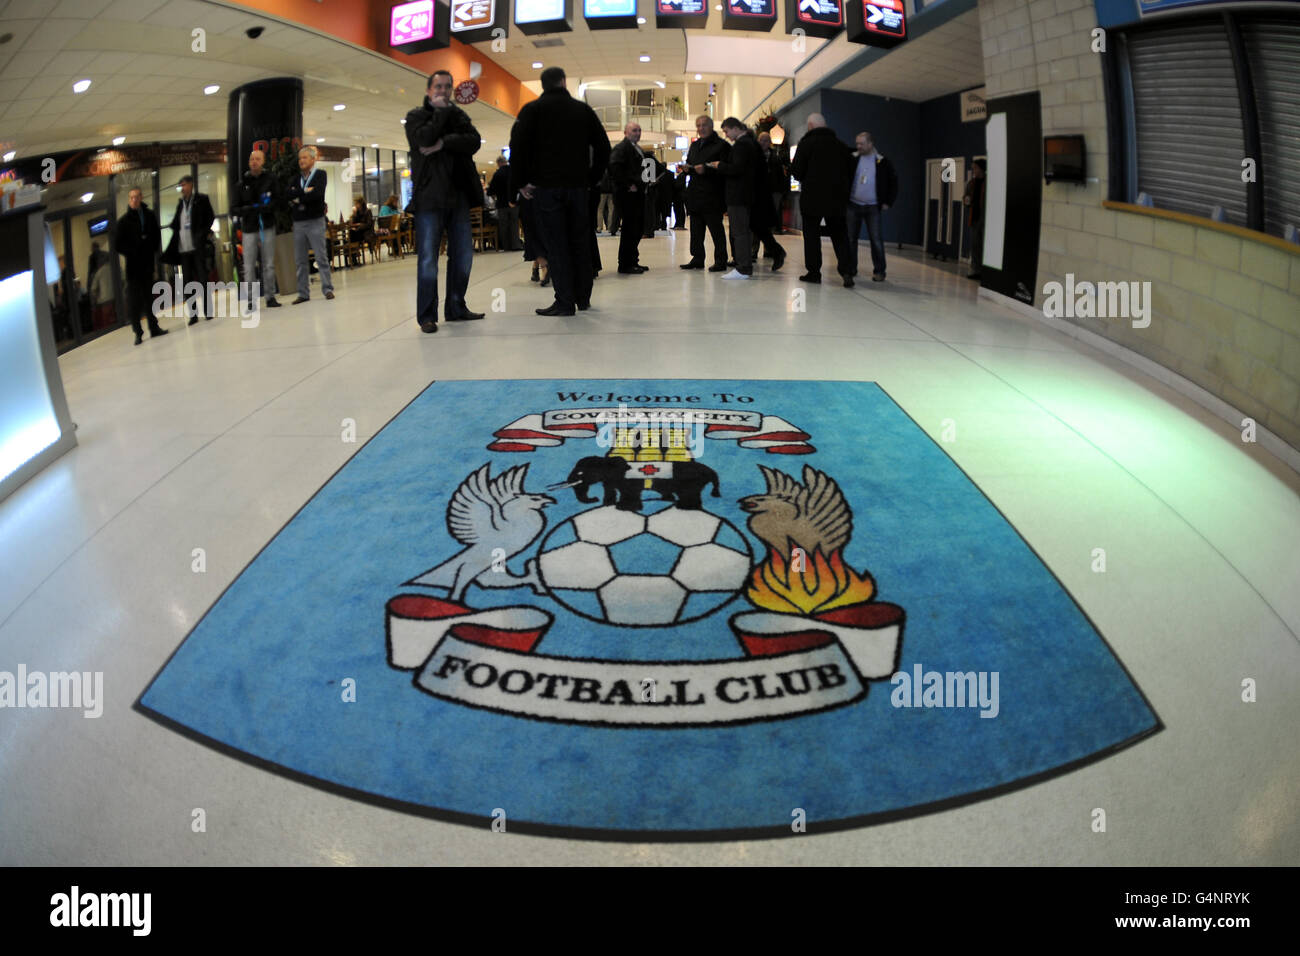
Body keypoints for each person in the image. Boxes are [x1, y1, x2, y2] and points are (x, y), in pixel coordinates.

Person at [510, 66, 611, 315]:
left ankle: (564, 301)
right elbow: (603, 147)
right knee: (580, 241)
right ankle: (583, 297)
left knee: (557, 244)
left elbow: (518, 147)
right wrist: (592, 178)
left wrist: (521, 182)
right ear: (564, 82)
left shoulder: (532, 111)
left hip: (546, 188)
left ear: (543, 85)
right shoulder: (582, 110)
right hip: (578, 187)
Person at [404, 68, 485, 333]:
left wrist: (444, 143)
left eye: (447, 87)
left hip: (458, 196)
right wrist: (440, 115)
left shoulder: (458, 115)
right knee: (428, 259)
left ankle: (456, 307)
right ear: (429, 91)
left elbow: (473, 141)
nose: (443, 91)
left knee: (462, 256)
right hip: (429, 199)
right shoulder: (416, 116)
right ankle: (427, 315)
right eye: (438, 87)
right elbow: (424, 138)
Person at [791, 114, 854, 286]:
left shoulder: (806, 144)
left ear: (810, 126)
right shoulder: (841, 146)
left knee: (811, 236)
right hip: (837, 199)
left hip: (812, 198)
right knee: (840, 235)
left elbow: (796, 171)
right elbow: (851, 172)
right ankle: (847, 271)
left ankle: (814, 272)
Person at [709, 117, 767, 279]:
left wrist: (719, 165)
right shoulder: (749, 143)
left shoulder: (742, 145)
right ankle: (744, 264)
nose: (726, 135)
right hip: (745, 195)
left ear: (735, 128)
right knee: (742, 231)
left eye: (726, 131)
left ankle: (743, 268)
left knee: (739, 231)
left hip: (739, 195)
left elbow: (737, 169)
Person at [114, 186, 169, 345]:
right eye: (132, 197)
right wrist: (133, 251)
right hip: (133, 268)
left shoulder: (149, 216)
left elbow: (156, 236)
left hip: (147, 265)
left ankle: (154, 328)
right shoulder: (123, 222)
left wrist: (150, 249)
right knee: (134, 302)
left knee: (149, 298)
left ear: (141, 197)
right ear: (129, 199)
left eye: (137, 197)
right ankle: (138, 332)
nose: (134, 200)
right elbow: (118, 245)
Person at [232, 148, 282, 310]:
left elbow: (277, 200)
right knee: (248, 266)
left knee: (268, 264)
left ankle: (270, 297)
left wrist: (264, 208)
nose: (254, 162)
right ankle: (251, 301)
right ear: (249, 162)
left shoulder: (270, 179)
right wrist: (250, 210)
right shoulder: (241, 184)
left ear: (263, 161)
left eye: (258, 159)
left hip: (266, 226)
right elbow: (234, 208)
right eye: (252, 159)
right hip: (248, 229)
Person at [845, 131, 899, 283]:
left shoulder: (882, 162)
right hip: (853, 205)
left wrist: (888, 201)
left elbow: (893, 183)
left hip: (873, 207)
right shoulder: (853, 159)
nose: (858, 146)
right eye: (857, 143)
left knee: (876, 240)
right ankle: (851, 268)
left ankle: (880, 271)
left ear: (870, 144)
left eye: (862, 143)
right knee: (850, 239)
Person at [680, 115, 730, 272]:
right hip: (695, 195)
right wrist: (687, 168)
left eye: (704, 125)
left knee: (716, 230)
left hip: (712, 195)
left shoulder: (722, 146)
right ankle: (697, 258)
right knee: (696, 231)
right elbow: (691, 162)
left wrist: (706, 170)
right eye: (698, 125)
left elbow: (726, 169)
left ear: (711, 126)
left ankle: (721, 260)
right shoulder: (695, 146)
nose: (701, 128)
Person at [285, 146, 335, 303]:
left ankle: (327, 289)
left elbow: (318, 194)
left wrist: (299, 196)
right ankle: (303, 293)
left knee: (321, 257)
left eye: (305, 158)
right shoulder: (294, 179)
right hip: (299, 222)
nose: (301, 161)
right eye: (300, 158)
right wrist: (306, 193)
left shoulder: (320, 175)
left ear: (313, 159)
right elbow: (288, 195)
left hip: (315, 221)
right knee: (300, 260)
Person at [164, 175, 216, 323]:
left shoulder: (201, 200)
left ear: (191, 185)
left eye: (184, 185)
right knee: (187, 283)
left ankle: (208, 311)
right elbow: (176, 223)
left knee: (203, 279)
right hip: (183, 250)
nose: (182, 188)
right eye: (180, 185)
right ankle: (193, 315)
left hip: (196, 247)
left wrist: (203, 233)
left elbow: (210, 217)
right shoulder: (180, 204)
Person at [607, 121, 648, 274]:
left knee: (636, 228)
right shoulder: (621, 148)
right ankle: (625, 264)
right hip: (627, 195)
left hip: (636, 194)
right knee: (630, 229)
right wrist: (627, 184)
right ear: (626, 132)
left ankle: (632, 260)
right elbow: (614, 168)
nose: (637, 133)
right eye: (634, 130)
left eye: (639, 130)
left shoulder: (636, 149)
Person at [488, 155, 521, 252]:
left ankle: (507, 246)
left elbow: (490, 191)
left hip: (502, 204)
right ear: (506, 162)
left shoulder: (497, 174)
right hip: (514, 202)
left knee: (504, 225)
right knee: (514, 224)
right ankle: (516, 245)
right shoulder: (514, 172)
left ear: (498, 163)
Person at [963, 159, 987, 280]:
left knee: (985, 246)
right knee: (975, 245)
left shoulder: (989, 182)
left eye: (975, 168)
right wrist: (966, 201)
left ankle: (986, 271)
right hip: (974, 218)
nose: (974, 171)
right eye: (973, 168)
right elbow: (966, 198)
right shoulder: (971, 184)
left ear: (982, 169)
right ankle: (976, 270)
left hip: (986, 219)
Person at [348, 197, 374, 265]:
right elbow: (352, 223)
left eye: (357, 204)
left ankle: (354, 257)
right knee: (350, 235)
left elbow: (369, 224)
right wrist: (354, 215)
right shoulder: (357, 212)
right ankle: (353, 256)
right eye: (355, 204)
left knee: (352, 236)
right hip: (358, 232)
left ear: (361, 203)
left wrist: (360, 225)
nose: (356, 205)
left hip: (366, 232)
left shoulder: (368, 211)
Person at [596, 168, 615, 234]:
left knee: (600, 210)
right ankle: (610, 227)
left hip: (602, 191)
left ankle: (599, 227)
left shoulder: (600, 169)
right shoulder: (610, 168)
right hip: (611, 190)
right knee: (611, 209)